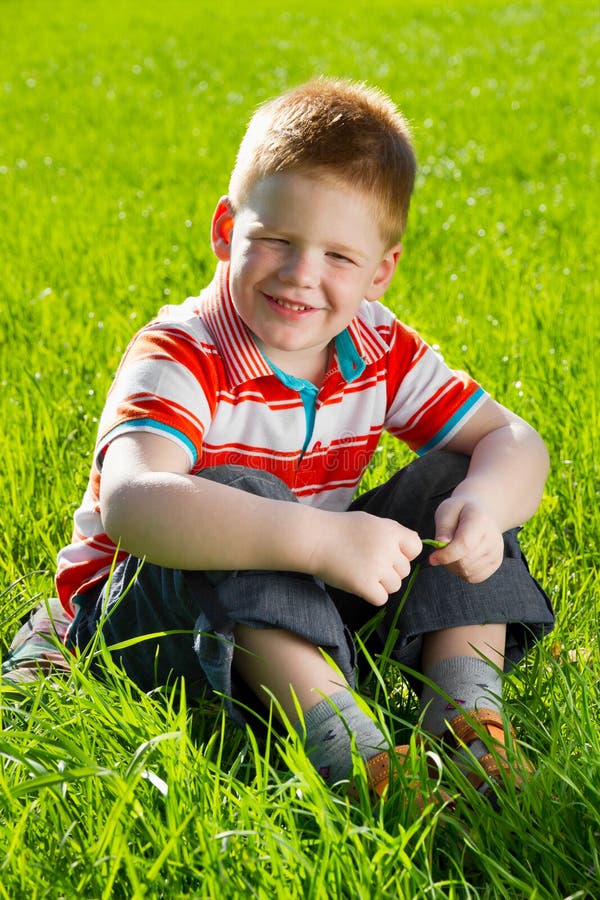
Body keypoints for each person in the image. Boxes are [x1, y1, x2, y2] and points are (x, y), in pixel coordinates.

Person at [55, 78, 554, 803]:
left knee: (455, 475)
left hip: (300, 595)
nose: (301, 276)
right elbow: (133, 503)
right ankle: (361, 758)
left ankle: (467, 722)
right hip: (152, 621)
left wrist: (481, 503)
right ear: (227, 231)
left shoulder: (377, 345)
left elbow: (513, 438)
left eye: (339, 259)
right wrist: (318, 541)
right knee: (235, 493)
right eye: (275, 242)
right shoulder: (183, 352)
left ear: (380, 273)